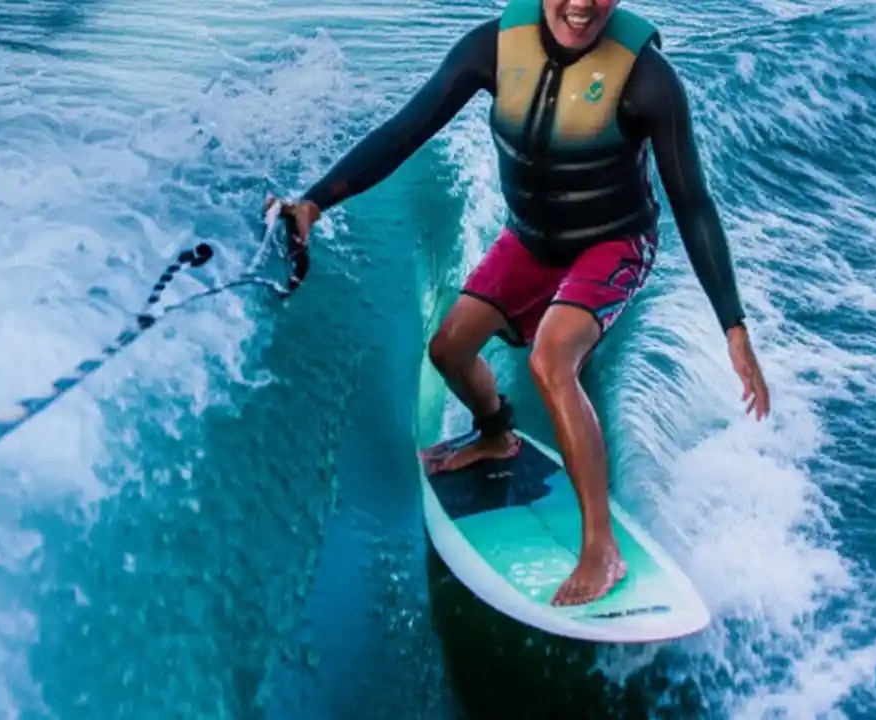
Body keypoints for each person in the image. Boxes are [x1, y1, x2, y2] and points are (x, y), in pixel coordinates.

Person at [270, 0, 770, 607]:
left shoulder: (647, 79)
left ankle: (600, 546)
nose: (583, 5)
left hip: (615, 241)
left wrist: (733, 326)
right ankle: (494, 434)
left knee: (552, 358)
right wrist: (314, 205)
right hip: (532, 237)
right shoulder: (493, 50)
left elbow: (692, 202)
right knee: (450, 348)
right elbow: (405, 132)